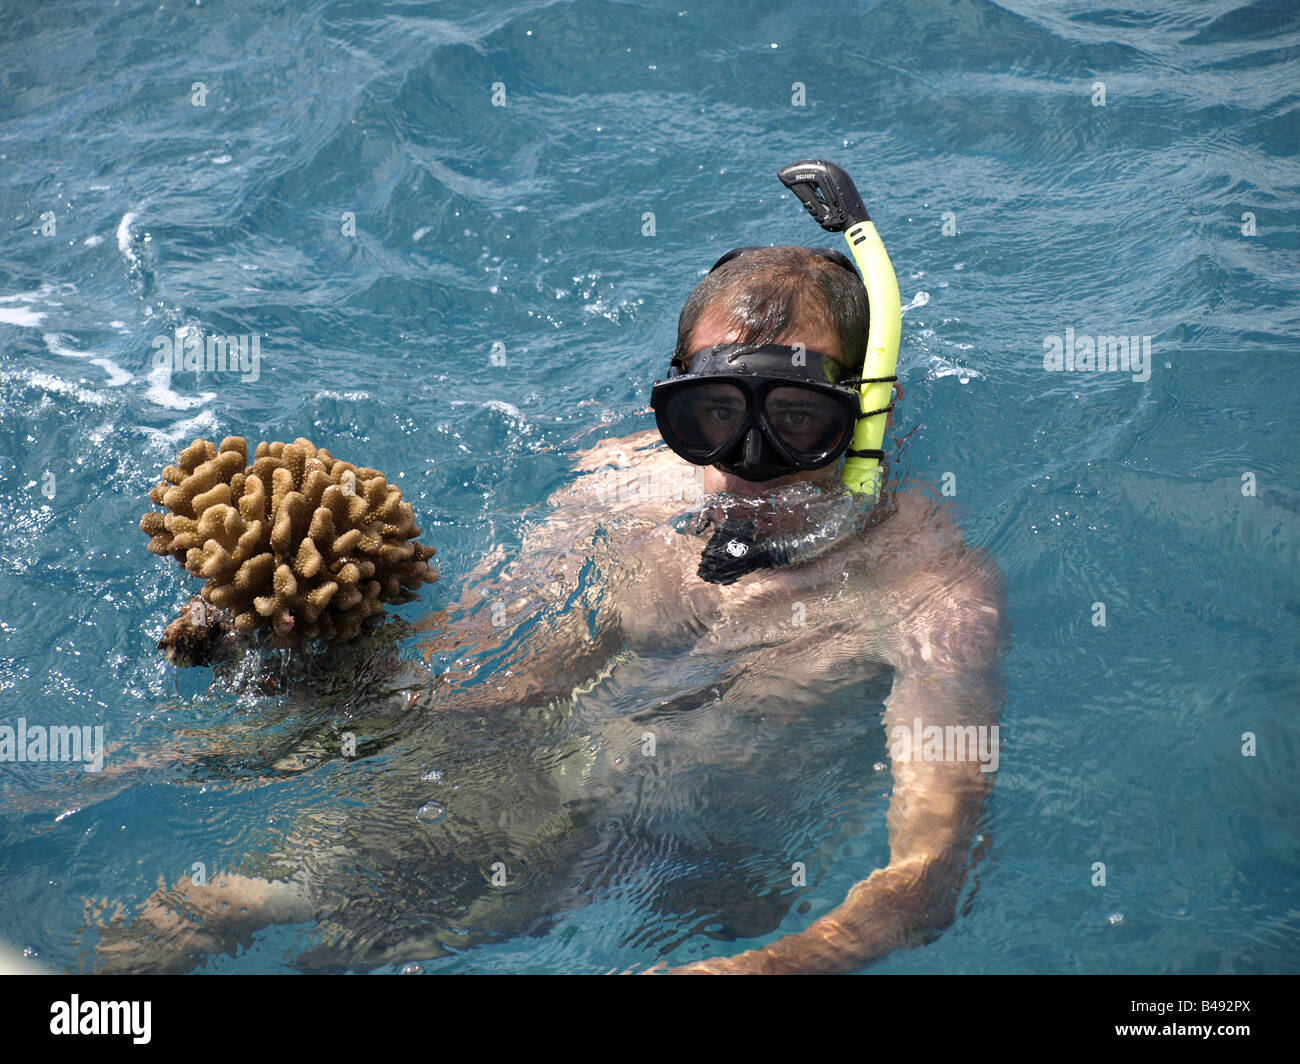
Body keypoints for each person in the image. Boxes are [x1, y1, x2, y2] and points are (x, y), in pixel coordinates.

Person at [88, 243, 1006, 976]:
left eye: (798, 422)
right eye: (712, 418)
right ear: (673, 405)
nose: (746, 465)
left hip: (710, 881)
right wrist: (297, 664)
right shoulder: (621, 496)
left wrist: (766, 968)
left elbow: (928, 877)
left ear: (866, 414)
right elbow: (468, 690)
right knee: (224, 906)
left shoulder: (934, 592)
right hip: (521, 799)